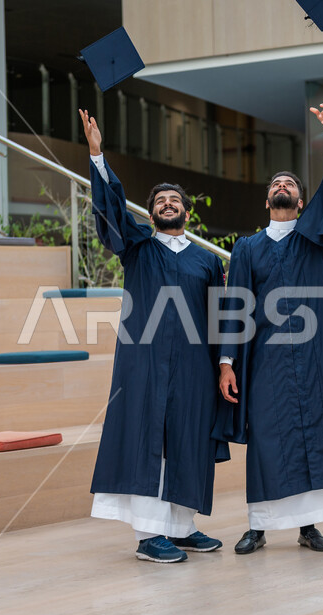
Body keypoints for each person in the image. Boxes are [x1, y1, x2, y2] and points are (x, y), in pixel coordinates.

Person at [81, 109, 229, 564]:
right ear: (151, 211)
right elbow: (110, 212)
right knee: (150, 439)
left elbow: (222, 316)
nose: (167, 203)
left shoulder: (207, 262)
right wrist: (97, 155)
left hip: (193, 365)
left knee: (188, 439)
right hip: (144, 361)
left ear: (187, 210)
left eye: (174, 199)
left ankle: (181, 528)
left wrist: (224, 363)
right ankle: (149, 536)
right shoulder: (138, 247)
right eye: (160, 200)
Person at [216, 102, 323, 554]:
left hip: (314, 354)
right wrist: (226, 362)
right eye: (275, 184)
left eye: (290, 185)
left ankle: (308, 526)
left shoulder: (314, 236)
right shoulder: (247, 248)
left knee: (315, 431)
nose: (282, 186)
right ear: (267, 201)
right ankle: (258, 526)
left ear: (300, 202)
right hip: (266, 360)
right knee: (267, 438)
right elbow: (235, 307)